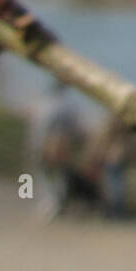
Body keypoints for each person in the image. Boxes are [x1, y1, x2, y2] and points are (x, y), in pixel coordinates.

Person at [28, 80, 85, 220]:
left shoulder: (50, 104)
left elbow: (41, 127)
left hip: (49, 144)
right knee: (57, 174)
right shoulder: (65, 105)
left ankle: (53, 202)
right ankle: (55, 202)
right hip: (56, 145)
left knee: (51, 174)